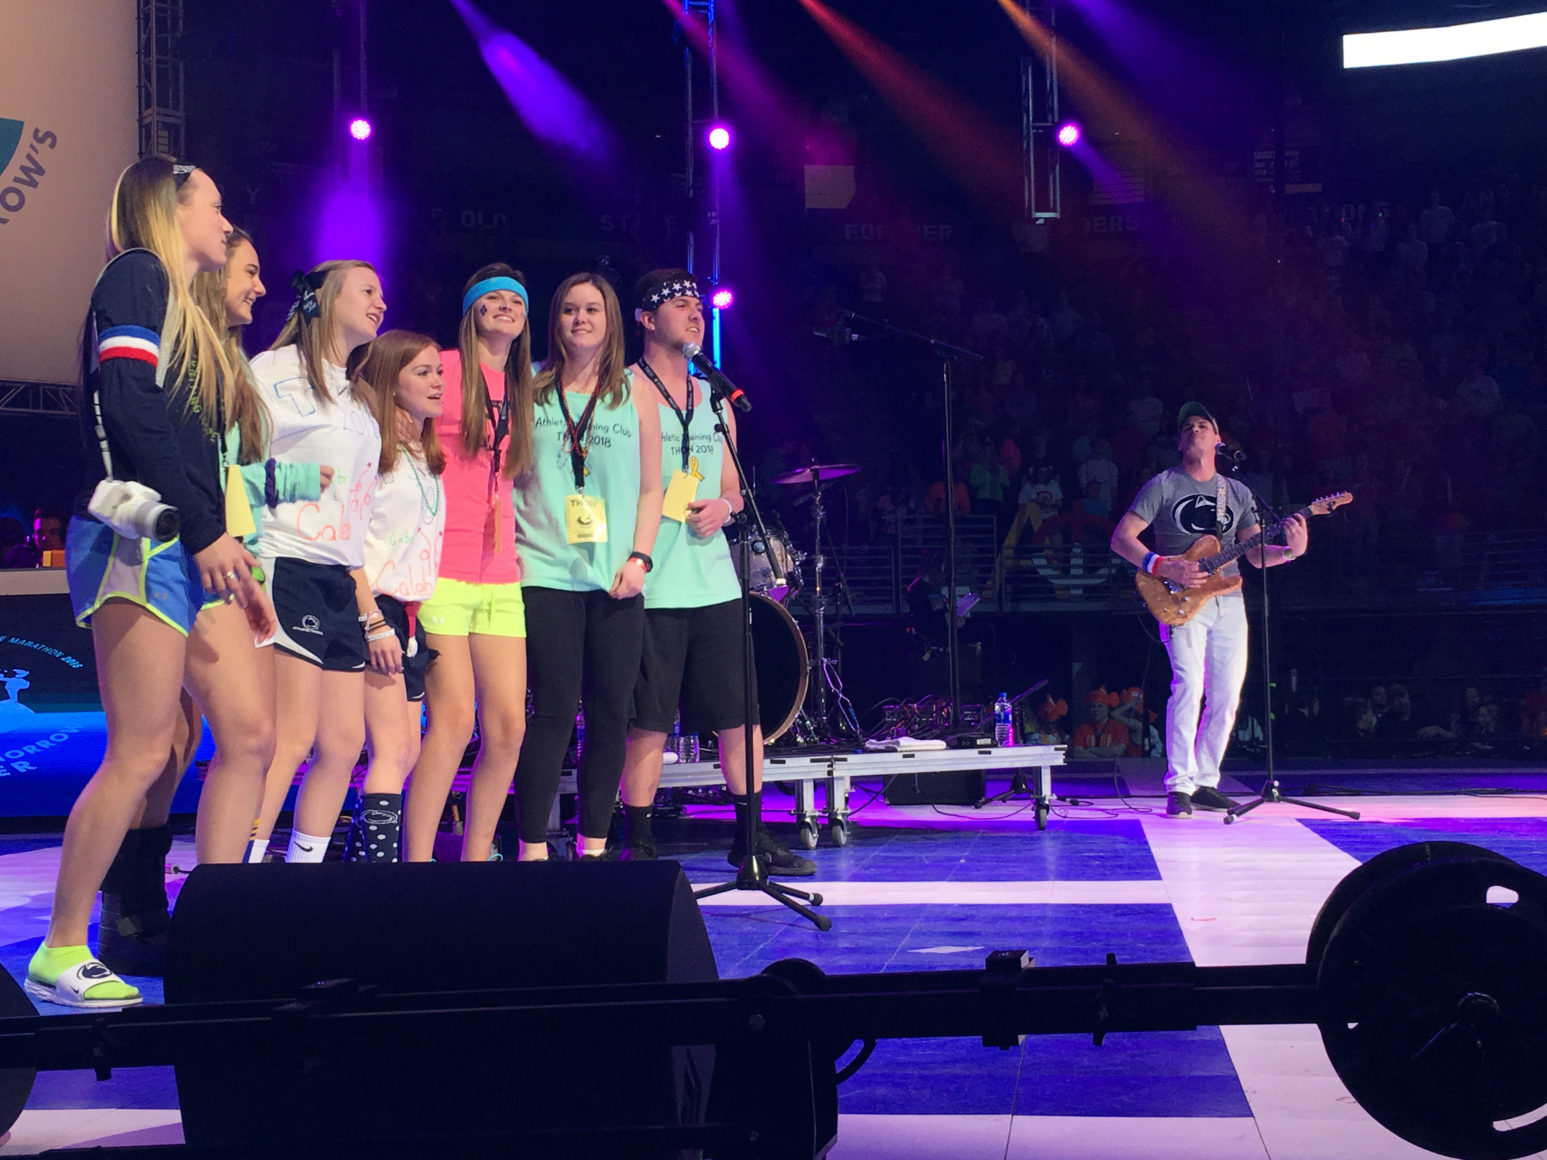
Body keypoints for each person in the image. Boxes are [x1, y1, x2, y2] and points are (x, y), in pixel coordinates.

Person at [27, 158, 278, 1008]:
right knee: (139, 749)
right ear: (171, 207)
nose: (224, 217)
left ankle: (212, 923)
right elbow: (128, 406)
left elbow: (190, 447)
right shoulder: (135, 276)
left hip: (190, 547)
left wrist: (229, 555)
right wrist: (204, 532)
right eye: (214, 202)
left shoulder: (180, 307)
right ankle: (61, 948)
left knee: (244, 732)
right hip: (137, 540)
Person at [94, 226, 331, 971]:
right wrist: (209, 534)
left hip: (221, 559)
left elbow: (231, 479)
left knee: (209, 742)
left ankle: (187, 913)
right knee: (158, 749)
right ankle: (123, 917)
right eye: (250, 271)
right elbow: (152, 449)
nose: (261, 288)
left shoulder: (225, 363)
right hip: (163, 551)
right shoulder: (180, 347)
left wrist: (287, 488)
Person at [617, 270, 814, 875]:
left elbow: (732, 487)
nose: (694, 313)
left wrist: (725, 508)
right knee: (647, 719)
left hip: (713, 582)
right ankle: (641, 841)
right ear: (647, 321)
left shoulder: (715, 397)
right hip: (648, 583)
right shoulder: (622, 392)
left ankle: (750, 836)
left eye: (697, 304)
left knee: (741, 714)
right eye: (678, 305)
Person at [511, 272, 663, 861]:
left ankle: (593, 847)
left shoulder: (636, 394)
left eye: (593, 310)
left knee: (609, 717)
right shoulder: (528, 386)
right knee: (552, 712)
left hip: (617, 580)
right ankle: (531, 850)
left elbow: (653, 489)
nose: (580, 319)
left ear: (611, 321)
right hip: (544, 570)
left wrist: (640, 557)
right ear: (555, 320)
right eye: (570, 309)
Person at [1109, 402, 1309, 817]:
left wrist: (1291, 550)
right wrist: (1162, 565)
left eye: (1204, 425)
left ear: (1219, 441)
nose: (1195, 429)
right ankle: (1179, 785)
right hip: (1179, 599)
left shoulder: (1236, 491)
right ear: (1181, 442)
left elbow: (1254, 556)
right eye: (1188, 427)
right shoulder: (1163, 485)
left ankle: (1205, 780)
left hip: (1229, 601)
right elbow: (1122, 538)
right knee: (1188, 686)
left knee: (1227, 695)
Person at [248, 260, 386, 861]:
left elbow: (355, 506)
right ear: (326, 300)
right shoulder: (269, 372)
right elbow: (233, 473)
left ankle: (305, 877)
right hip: (286, 563)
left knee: (343, 741)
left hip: (337, 575)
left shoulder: (359, 397)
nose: (382, 302)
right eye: (368, 291)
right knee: (290, 736)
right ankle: (241, 871)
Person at [401, 265, 533, 863]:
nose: (506, 306)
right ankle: (419, 862)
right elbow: (396, 428)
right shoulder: (445, 368)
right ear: (473, 310)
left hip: (500, 571)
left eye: (516, 300)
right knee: (452, 721)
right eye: (493, 299)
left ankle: (477, 860)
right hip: (441, 568)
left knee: (508, 729)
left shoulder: (527, 384)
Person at [350, 330, 447, 861]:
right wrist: (373, 622)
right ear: (390, 382)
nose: (437, 382)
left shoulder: (423, 453)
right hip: (375, 611)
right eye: (422, 372)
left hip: (409, 616)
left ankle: (364, 864)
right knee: (388, 750)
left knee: (406, 749)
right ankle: (382, 877)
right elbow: (349, 543)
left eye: (439, 372)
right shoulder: (373, 451)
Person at [1066, 688, 1131, 760]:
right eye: (1092, 706)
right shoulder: (1082, 729)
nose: (1096, 709)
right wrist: (1102, 759)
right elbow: (1077, 752)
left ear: (1107, 709)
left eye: (1100, 706)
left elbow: (1117, 751)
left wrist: (1090, 750)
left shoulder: (1119, 727)